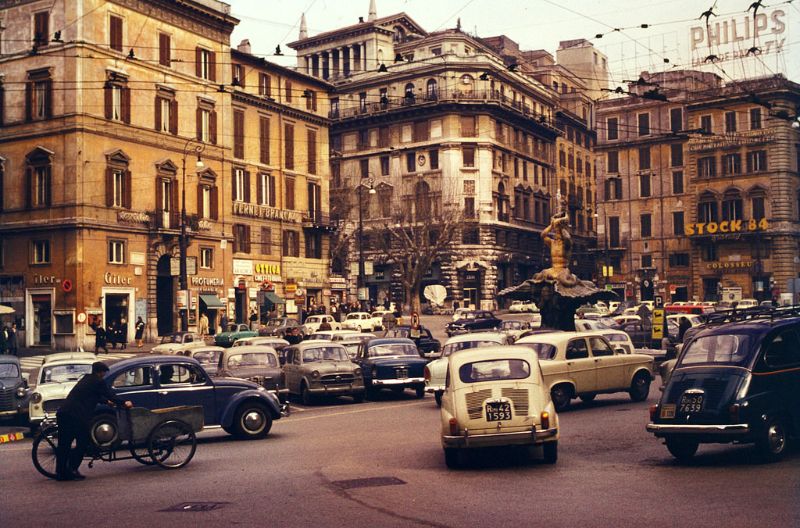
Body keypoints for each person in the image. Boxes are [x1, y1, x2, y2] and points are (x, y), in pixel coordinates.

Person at [55, 362, 133, 481]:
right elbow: (109, 394)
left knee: (64, 445)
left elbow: (92, 395)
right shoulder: (98, 381)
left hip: (64, 413)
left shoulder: (86, 379)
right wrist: (123, 403)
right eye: (103, 372)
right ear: (100, 372)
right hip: (76, 416)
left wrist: (106, 402)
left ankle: (61, 473)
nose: (104, 375)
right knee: (83, 442)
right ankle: (72, 469)